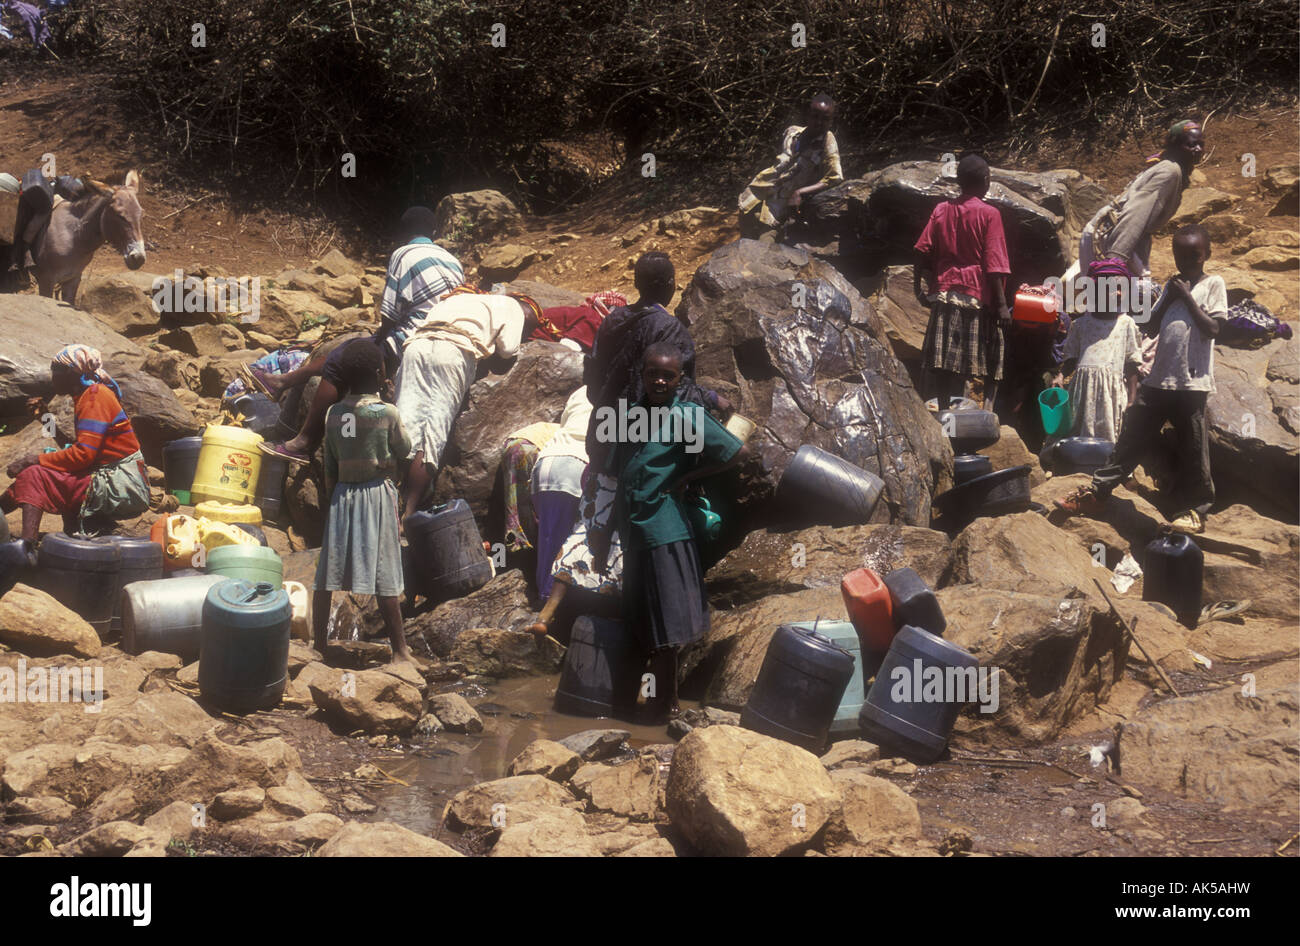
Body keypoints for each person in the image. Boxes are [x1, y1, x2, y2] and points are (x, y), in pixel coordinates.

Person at [590, 343, 749, 721]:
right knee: (641, 620)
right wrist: (604, 530)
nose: (659, 381)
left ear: (680, 380)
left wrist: (688, 478)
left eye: (668, 375)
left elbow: (738, 454)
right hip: (633, 532)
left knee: (669, 623)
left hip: (664, 529)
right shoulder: (631, 415)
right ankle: (647, 706)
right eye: (652, 373)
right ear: (642, 375)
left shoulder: (687, 416)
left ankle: (667, 706)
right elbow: (621, 476)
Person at [1055, 225, 1227, 534]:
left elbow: (1214, 329)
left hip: (1191, 384)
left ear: (1207, 255)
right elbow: (1149, 325)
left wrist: (1186, 297)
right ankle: (1099, 493)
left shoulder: (1213, 284)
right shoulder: (1172, 287)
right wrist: (1170, 295)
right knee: (1131, 438)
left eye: (1195, 255)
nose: (1187, 260)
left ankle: (1195, 510)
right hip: (1158, 380)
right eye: (1180, 254)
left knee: (1193, 446)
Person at [259, 206, 463, 463]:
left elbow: (389, 313)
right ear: (433, 232)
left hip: (415, 337)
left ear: (405, 232)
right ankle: (283, 381)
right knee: (351, 346)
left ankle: (303, 441)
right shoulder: (453, 261)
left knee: (340, 358)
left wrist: (379, 338)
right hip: (450, 336)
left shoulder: (404, 253)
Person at [395, 288, 545, 520]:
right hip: (453, 351)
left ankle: (388, 503)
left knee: (403, 426)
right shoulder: (513, 308)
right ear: (526, 312)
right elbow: (507, 350)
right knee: (432, 435)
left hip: (416, 347)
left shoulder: (459, 298)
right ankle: (409, 511)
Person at [584, 252, 730, 477]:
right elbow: (677, 392)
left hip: (602, 437)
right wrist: (711, 398)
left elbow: (592, 381)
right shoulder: (669, 328)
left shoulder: (612, 320)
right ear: (671, 284)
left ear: (635, 283)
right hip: (641, 449)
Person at [312, 342, 414, 663]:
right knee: (384, 568)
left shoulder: (334, 414)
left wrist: (334, 496)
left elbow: (329, 463)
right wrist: (392, 400)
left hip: (343, 494)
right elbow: (405, 448)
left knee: (327, 573)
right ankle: (400, 650)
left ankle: (319, 645)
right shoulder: (386, 413)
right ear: (379, 373)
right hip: (377, 493)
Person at [1, 345, 149, 543]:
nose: (52, 377)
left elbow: (82, 456)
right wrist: (46, 420)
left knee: (35, 474)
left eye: (56, 371)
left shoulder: (95, 397)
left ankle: (26, 545)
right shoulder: (87, 395)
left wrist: (32, 459)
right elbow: (76, 449)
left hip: (123, 484)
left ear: (71, 373)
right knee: (43, 468)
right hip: (111, 476)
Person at [913, 154, 1012, 410]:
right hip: (976, 294)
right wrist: (1001, 305)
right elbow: (994, 262)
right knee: (988, 356)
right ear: (985, 181)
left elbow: (921, 250)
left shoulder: (941, 210)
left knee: (944, 361)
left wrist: (918, 288)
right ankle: (986, 412)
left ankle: (945, 409)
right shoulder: (990, 214)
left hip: (944, 292)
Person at [1078, 120, 1205, 279]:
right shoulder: (1169, 172)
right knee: (1123, 297)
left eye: (1201, 144)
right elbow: (1136, 212)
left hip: (1114, 233)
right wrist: (1114, 261)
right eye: (1192, 145)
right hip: (1112, 236)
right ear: (1175, 146)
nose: (1198, 149)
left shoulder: (1172, 168)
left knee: (1110, 299)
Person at [1050, 259, 1143, 442]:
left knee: (1108, 437)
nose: (1117, 292)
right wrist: (1060, 376)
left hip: (1111, 394)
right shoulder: (1081, 325)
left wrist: (1131, 400)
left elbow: (1132, 365)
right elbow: (1071, 359)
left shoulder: (1126, 325)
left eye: (1121, 288)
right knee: (1077, 435)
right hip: (1082, 391)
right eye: (1110, 287)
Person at [738, 94, 844, 242]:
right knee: (745, 238)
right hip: (755, 194)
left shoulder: (827, 142)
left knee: (763, 247)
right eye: (815, 116)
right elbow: (778, 162)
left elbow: (835, 177)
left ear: (831, 120)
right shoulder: (792, 132)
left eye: (825, 119)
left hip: (779, 207)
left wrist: (800, 192)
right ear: (808, 115)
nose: (819, 122)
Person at [529, 386, 593, 600]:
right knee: (571, 542)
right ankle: (552, 607)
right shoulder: (622, 391)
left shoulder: (582, 390)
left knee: (548, 539)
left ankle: (544, 599)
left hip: (546, 462)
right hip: (577, 464)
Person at [498, 419, 560, 553]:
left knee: (514, 502)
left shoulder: (560, 427)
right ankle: (533, 548)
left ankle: (515, 542)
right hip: (531, 447)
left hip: (512, 445)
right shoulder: (575, 435)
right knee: (532, 502)